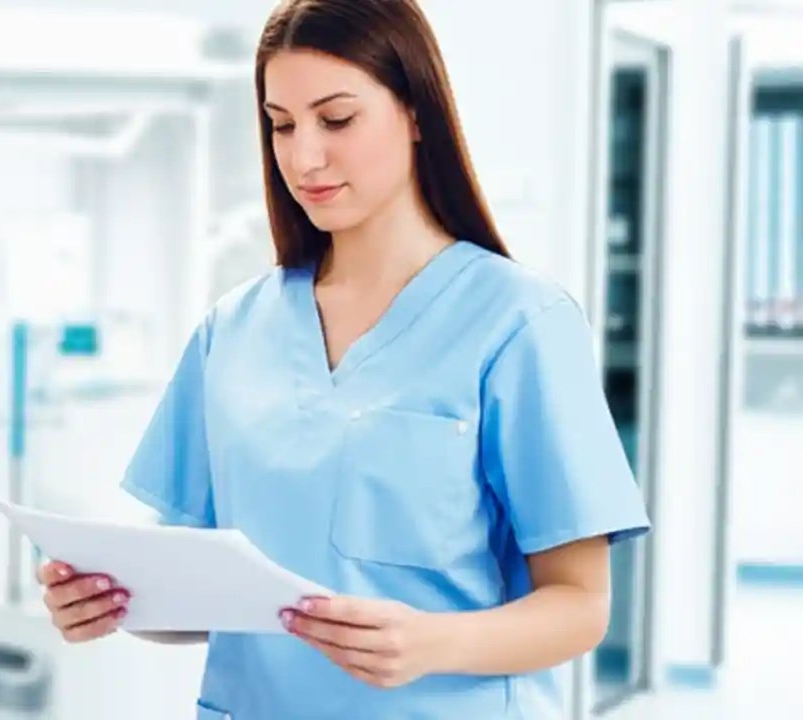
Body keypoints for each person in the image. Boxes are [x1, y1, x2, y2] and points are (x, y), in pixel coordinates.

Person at [34, 0, 651, 718]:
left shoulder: (519, 325)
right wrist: (111, 600)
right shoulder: (231, 331)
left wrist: (432, 643)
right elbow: (205, 594)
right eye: (281, 124)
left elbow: (580, 606)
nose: (303, 157)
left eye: (336, 119)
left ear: (416, 111)